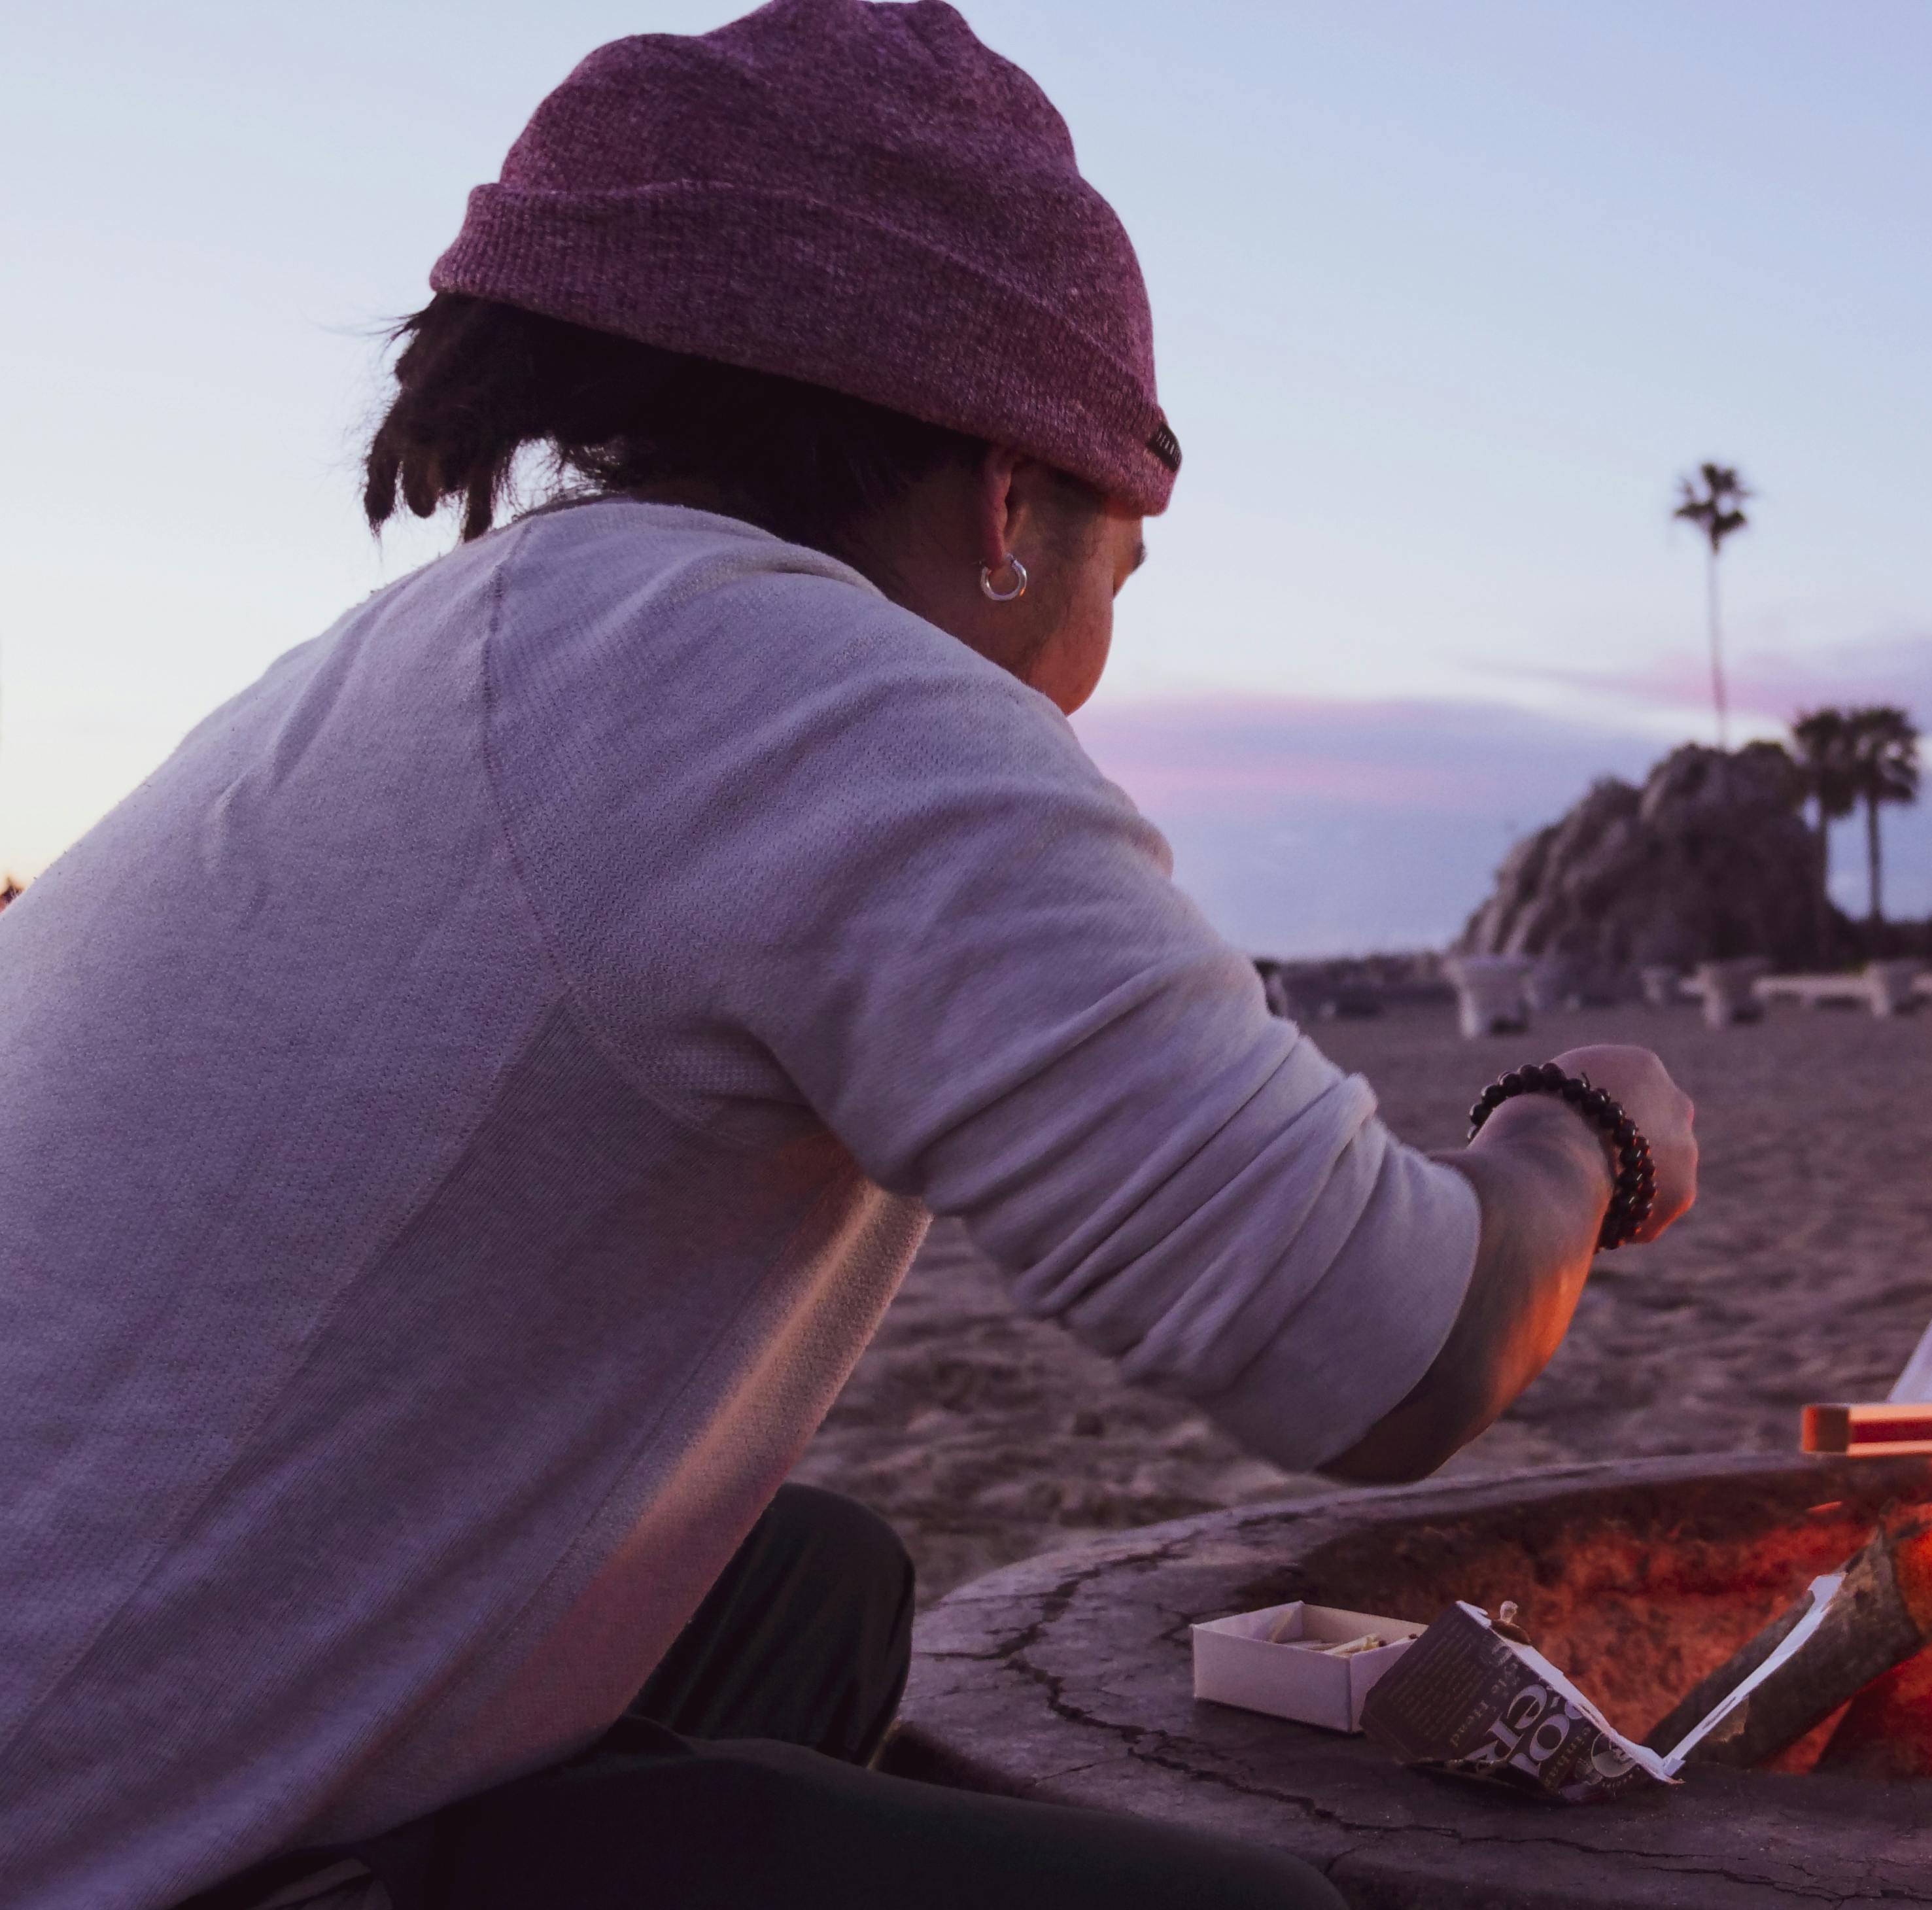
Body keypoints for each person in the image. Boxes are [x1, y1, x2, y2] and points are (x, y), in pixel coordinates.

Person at [0, 5, 1697, 1907]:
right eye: (1116, 576)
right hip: (80, 1850)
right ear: (1006, 503)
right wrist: (1580, 1133)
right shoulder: (797, 693)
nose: (1091, 657)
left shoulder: (476, 651)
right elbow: (1392, 1356)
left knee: (810, 1578)